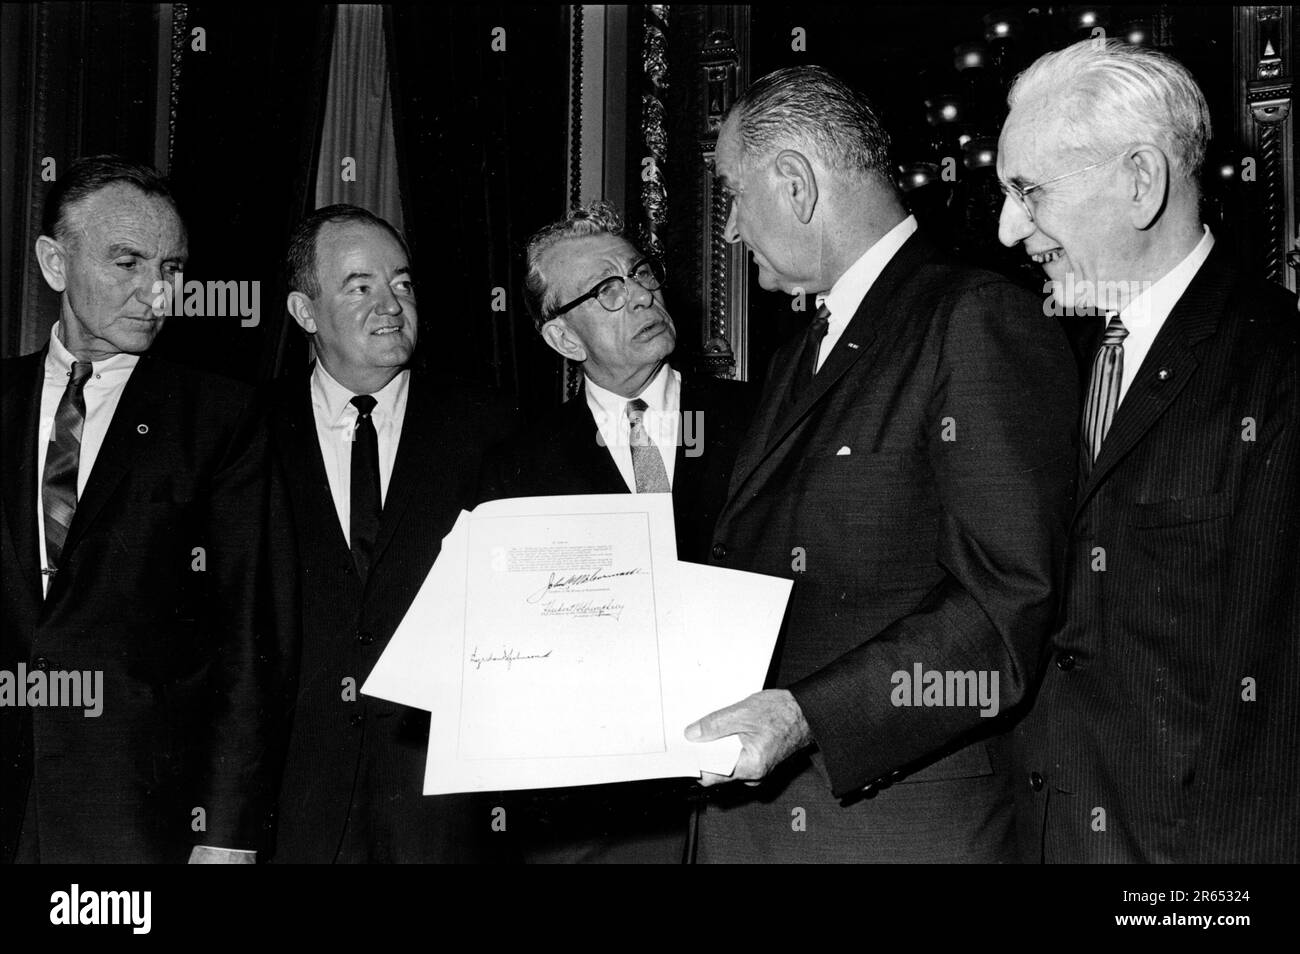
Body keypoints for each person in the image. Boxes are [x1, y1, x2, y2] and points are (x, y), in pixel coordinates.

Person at [686, 66, 1078, 862]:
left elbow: (1002, 626)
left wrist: (805, 715)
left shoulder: (972, 317)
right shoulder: (802, 350)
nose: (730, 227)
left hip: (889, 836)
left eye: (733, 193)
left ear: (795, 183)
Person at [997, 39, 1299, 863]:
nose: (1008, 228)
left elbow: (1274, 720)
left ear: (1140, 180)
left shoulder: (1277, 367)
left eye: (1029, 192)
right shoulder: (1063, 359)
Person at [0, 155, 271, 863]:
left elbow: (245, 633)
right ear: (55, 263)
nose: (158, 292)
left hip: (138, 812)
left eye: (174, 268)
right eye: (127, 262)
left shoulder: (220, 419)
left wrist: (226, 832)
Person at [478, 200, 757, 862]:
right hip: (603, 822)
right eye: (608, 290)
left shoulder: (761, 419)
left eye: (639, 274)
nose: (639, 296)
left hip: (753, 801)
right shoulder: (516, 468)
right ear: (564, 338)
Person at [266, 204, 515, 863]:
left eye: (402, 284)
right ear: (303, 311)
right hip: (293, 808)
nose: (391, 305)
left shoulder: (491, 428)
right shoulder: (247, 434)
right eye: (360, 287)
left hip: (446, 815)